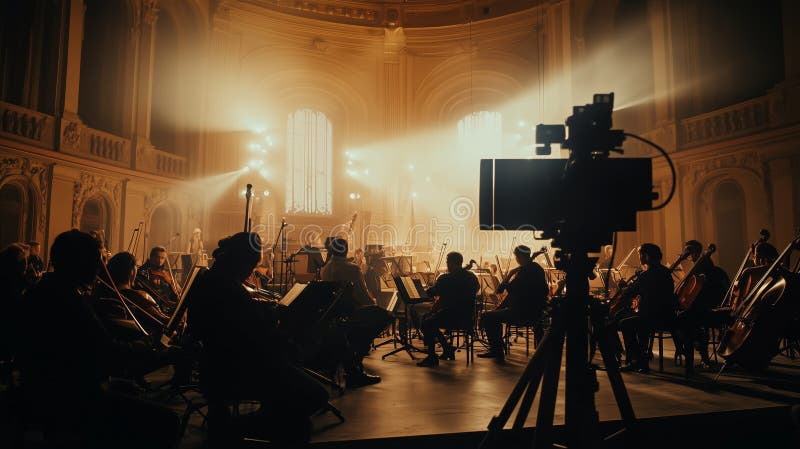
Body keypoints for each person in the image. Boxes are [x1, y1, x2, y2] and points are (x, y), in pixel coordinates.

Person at [17, 230, 178, 449]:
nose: (99, 268)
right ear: (80, 263)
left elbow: (81, 355)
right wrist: (153, 353)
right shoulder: (68, 301)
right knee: (167, 421)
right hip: (67, 402)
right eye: (96, 261)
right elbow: (105, 352)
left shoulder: (47, 291)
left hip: (52, 392)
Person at [187, 232, 328, 444]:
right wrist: (282, 326)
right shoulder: (225, 287)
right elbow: (252, 331)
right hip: (235, 368)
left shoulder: (215, 279)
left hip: (219, 365)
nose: (252, 271)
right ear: (240, 261)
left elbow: (242, 321)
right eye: (252, 264)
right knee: (313, 396)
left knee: (292, 408)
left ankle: (253, 422)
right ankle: (232, 430)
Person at [321, 238, 393, 387]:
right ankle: (357, 356)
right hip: (352, 312)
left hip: (335, 315)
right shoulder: (352, 268)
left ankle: (352, 350)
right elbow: (361, 294)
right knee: (386, 317)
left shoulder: (325, 268)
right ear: (346, 250)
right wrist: (373, 304)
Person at [478, 245, 549, 363]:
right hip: (536, 311)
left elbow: (510, 289)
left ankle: (496, 350)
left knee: (487, 317)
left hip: (522, 312)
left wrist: (509, 276)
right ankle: (498, 348)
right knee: (494, 315)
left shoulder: (525, 271)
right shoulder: (537, 269)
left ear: (519, 256)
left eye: (516, 256)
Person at [614, 244, 676, 373]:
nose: (639, 257)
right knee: (634, 320)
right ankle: (641, 360)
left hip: (654, 316)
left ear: (646, 256)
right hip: (666, 314)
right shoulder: (664, 271)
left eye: (640, 254)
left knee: (624, 323)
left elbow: (629, 292)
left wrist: (622, 286)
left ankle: (637, 360)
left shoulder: (648, 274)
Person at [416, 251, 479, 368]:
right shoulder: (472, 277)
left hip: (452, 316)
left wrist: (422, 291)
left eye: (447, 262)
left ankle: (432, 357)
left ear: (451, 263)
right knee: (428, 319)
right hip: (468, 318)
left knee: (426, 322)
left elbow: (432, 292)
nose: (447, 264)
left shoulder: (446, 279)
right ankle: (447, 348)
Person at [674, 239, 731, 369]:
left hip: (708, 308)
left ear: (696, 253)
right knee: (678, 317)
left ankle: (699, 352)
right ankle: (687, 346)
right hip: (697, 306)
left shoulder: (708, 269)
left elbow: (712, 291)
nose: (688, 255)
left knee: (683, 320)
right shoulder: (698, 268)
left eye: (689, 251)